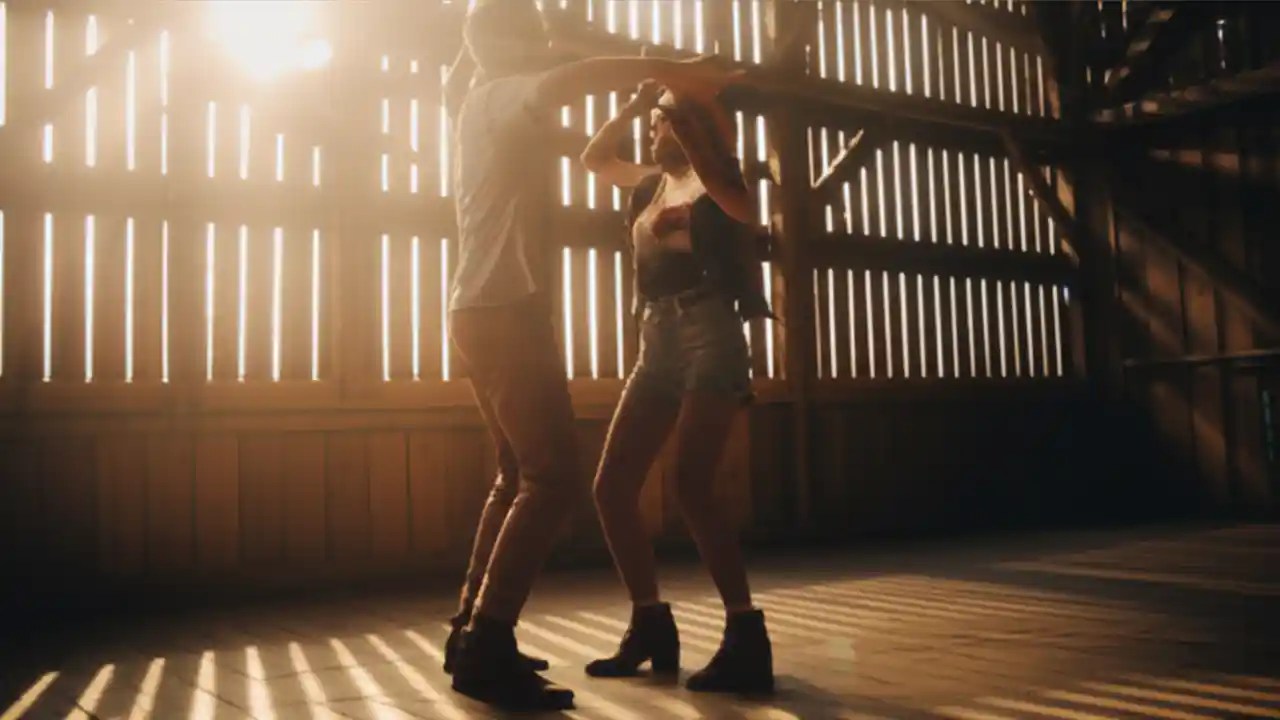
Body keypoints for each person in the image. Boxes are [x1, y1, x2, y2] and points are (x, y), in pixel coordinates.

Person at [443, 0, 744, 710]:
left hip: (478, 308)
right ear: (514, 41)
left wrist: (664, 100)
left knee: (517, 475)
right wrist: (674, 70)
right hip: (504, 311)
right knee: (553, 479)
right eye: (536, 36)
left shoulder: (483, 104)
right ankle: (488, 641)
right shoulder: (504, 94)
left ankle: (469, 629)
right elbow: (580, 78)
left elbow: (584, 127)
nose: (545, 47)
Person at [577, 80, 775, 694]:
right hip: (655, 341)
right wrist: (635, 105)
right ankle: (650, 623)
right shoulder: (650, 184)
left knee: (691, 484)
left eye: (660, 124)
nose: (651, 134)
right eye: (652, 127)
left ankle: (746, 635)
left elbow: (741, 210)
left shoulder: (720, 185)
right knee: (612, 487)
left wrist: (685, 114)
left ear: (687, 127)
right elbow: (594, 158)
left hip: (710, 332)